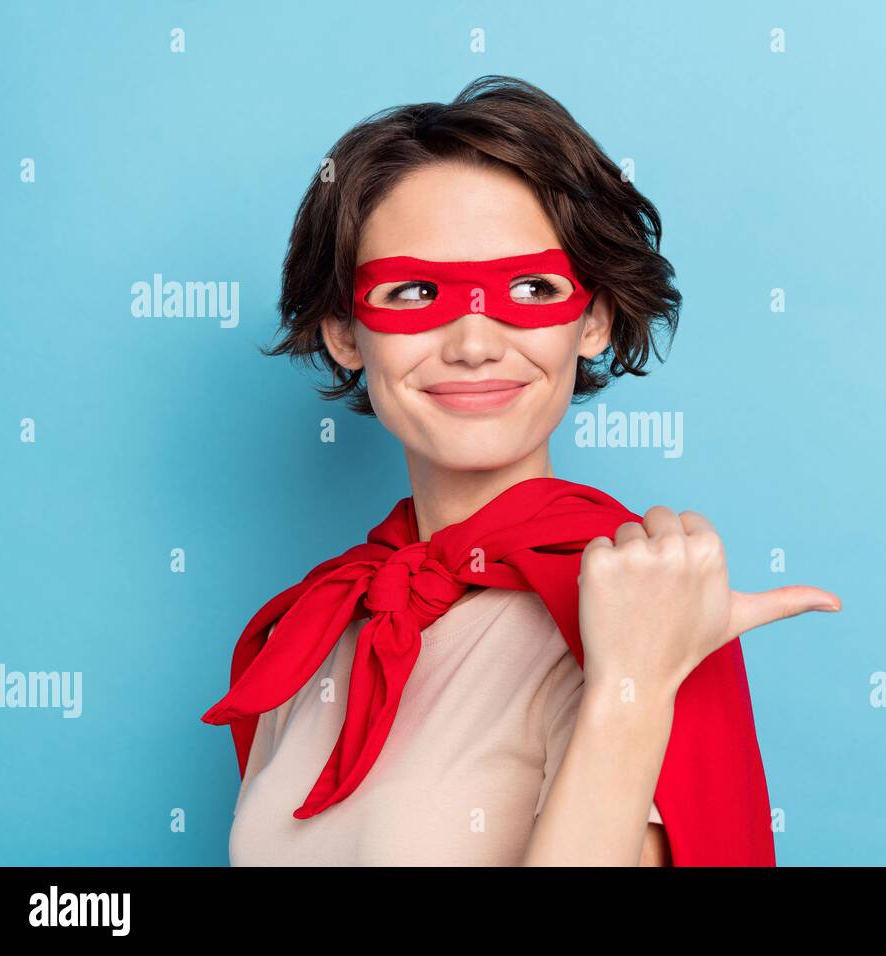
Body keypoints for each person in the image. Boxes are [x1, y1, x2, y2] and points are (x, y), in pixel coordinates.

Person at [214, 75, 840, 866]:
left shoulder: (641, 613)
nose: (474, 342)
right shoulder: (318, 632)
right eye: (414, 291)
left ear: (593, 320)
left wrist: (633, 688)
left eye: (530, 288)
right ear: (344, 332)